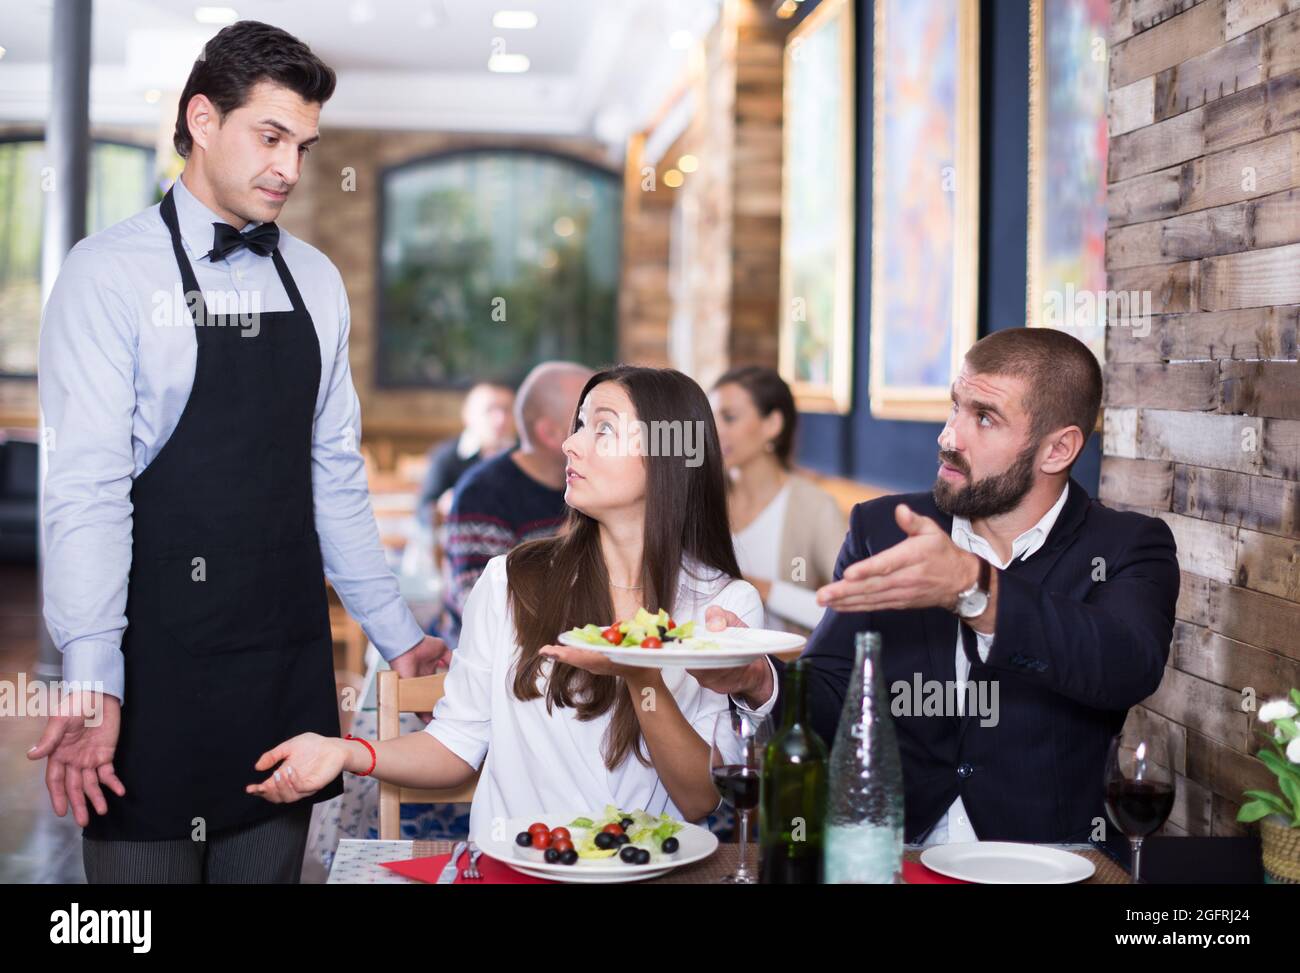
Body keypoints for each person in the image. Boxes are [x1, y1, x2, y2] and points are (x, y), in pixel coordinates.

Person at [31, 21, 446, 883]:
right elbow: (87, 492)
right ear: (202, 119)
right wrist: (92, 678)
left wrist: (398, 635)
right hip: (151, 673)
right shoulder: (106, 275)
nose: (291, 168)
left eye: (304, 144)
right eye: (271, 136)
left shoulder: (318, 280)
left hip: (280, 666)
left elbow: (335, 478)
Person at [696, 328, 1180, 844]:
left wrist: (974, 590)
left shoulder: (1127, 545)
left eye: (984, 418)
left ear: (1057, 450)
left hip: (1050, 859)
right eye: (955, 406)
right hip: (895, 851)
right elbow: (833, 696)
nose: (948, 436)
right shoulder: (884, 527)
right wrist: (757, 679)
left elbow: (1127, 665)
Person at [246, 366, 764, 833]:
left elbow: (698, 799)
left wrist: (639, 672)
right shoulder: (513, 581)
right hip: (519, 866)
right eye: (578, 425)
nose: (571, 444)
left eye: (602, 428)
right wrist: (345, 751)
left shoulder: (724, 607)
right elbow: (456, 744)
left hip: (652, 869)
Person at [438, 361, 592, 645]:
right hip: (496, 668)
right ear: (550, 434)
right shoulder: (482, 494)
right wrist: (570, 540)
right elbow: (481, 611)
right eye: (588, 423)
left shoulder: (596, 485)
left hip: (576, 654)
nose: (601, 436)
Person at [710, 366, 846, 633]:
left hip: (782, 668)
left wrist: (761, 589)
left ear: (772, 424)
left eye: (729, 418)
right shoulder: (705, 501)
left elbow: (849, 609)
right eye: (710, 418)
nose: (715, 431)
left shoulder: (815, 507)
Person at [415, 381, 516, 527]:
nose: (501, 419)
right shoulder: (447, 455)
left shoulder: (523, 453)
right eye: (490, 410)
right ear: (468, 414)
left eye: (507, 410)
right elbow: (422, 511)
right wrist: (440, 510)